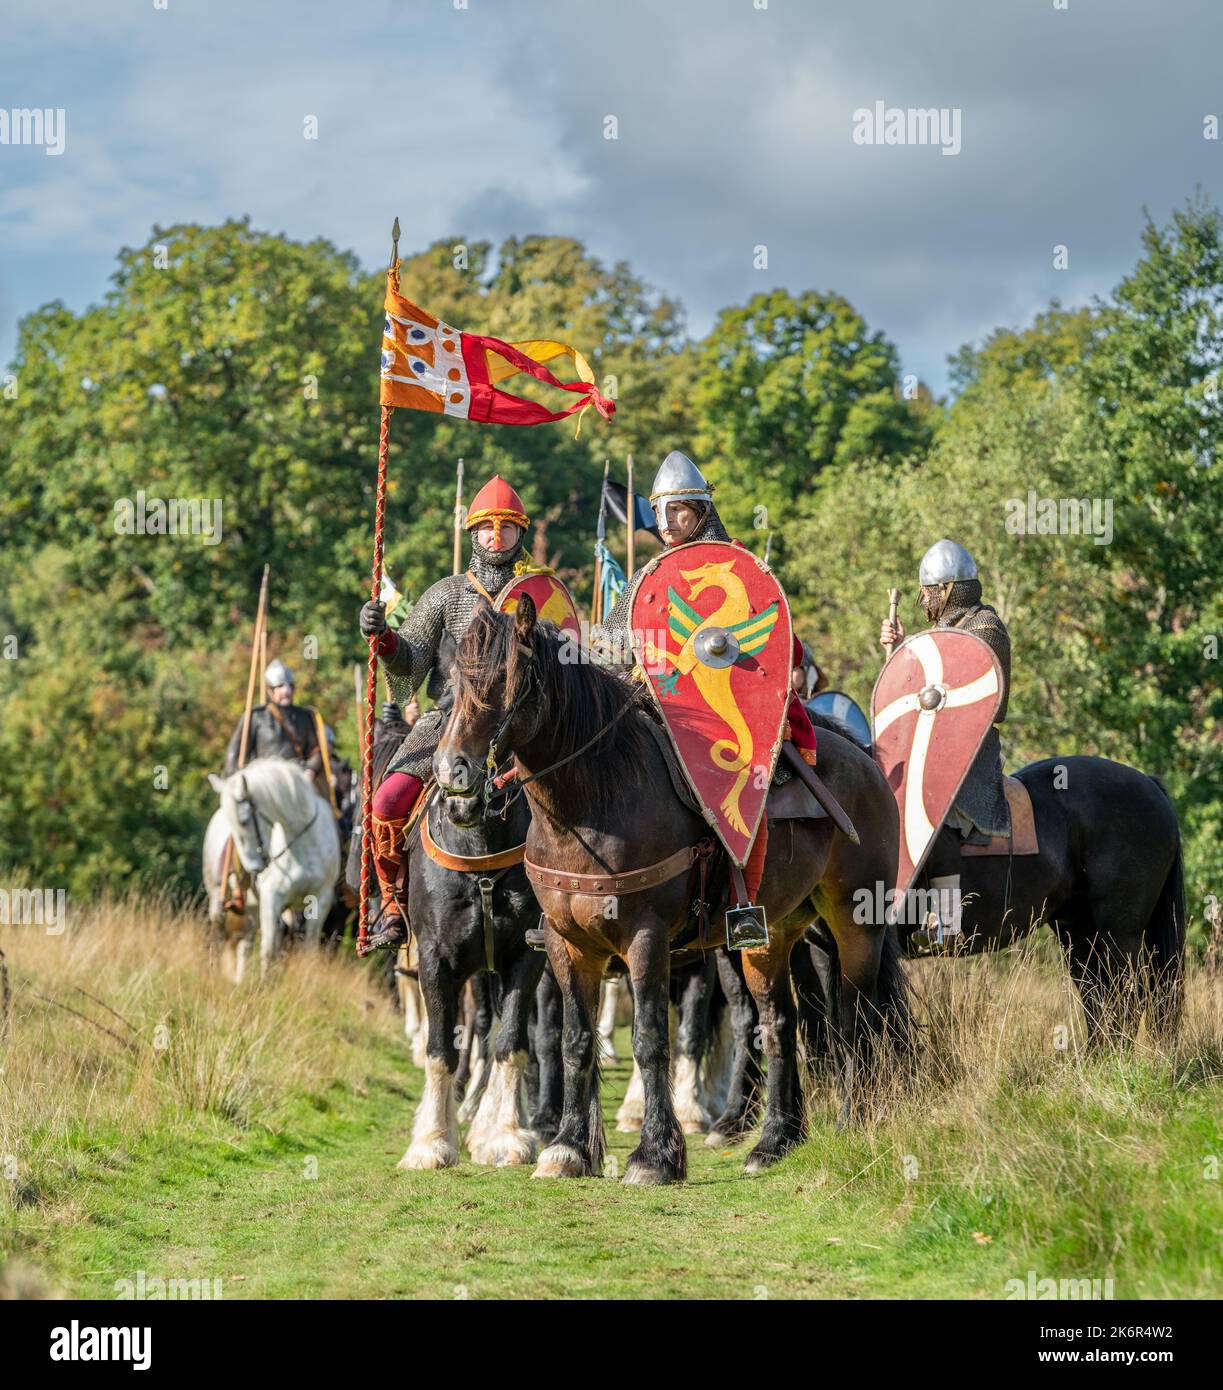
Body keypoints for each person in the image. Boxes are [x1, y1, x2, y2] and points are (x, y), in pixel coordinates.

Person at [601, 450, 818, 912]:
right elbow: (608, 651)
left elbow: (783, 648)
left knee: (743, 784)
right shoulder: (646, 579)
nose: (667, 521)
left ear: (701, 512)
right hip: (659, 710)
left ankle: (744, 903)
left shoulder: (740, 565)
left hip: (730, 715)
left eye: (678, 510)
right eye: (660, 511)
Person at [356, 475, 532, 949]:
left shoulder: (539, 594)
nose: (497, 536)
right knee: (387, 802)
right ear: (473, 534)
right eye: (488, 527)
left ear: (521, 534)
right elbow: (410, 667)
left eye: (507, 527)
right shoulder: (447, 594)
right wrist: (385, 638)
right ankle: (393, 902)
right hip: (449, 723)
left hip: (523, 728)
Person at [879, 538, 1011, 845]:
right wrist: (903, 647)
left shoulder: (985, 629)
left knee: (935, 809)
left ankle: (947, 890)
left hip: (969, 747)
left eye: (928, 590)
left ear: (949, 589)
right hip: (934, 740)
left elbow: (959, 691)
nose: (923, 598)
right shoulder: (947, 631)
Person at [223, 658, 323, 781]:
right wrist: (236, 782)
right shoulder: (256, 716)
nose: (286, 691)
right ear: (271, 690)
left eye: (289, 686)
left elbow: (315, 752)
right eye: (280, 686)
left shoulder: (304, 716)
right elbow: (234, 754)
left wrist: (310, 769)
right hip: (266, 782)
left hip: (296, 780)